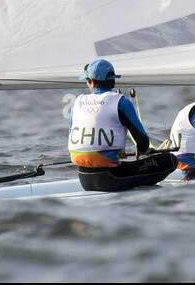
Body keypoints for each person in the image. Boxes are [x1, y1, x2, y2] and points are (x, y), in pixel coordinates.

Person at [67, 59, 177, 192]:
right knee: (170, 160)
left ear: (91, 82)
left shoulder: (77, 102)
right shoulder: (121, 102)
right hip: (111, 179)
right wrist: (142, 150)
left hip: (84, 180)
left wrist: (114, 152)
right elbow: (143, 143)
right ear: (113, 81)